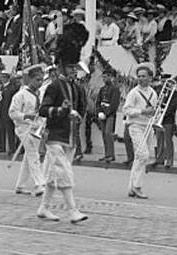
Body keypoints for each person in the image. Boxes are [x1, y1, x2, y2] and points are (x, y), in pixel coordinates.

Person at [36, 62, 88, 223]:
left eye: (75, 68)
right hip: (55, 135)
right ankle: (72, 211)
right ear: (62, 68)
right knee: (64, 172)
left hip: (70, 135)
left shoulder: (76, 87)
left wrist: (76, 114)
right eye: (71, 67)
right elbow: (43, 110)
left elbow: (81, 108)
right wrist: (61, 111)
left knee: (54, 174)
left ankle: (43, 208)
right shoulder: (54, 86)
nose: (74, 70)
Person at [9, 64, 45, 196]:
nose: (40, 83)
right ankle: (40, 183)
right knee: (34, 155)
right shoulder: (20, 95)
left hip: (36, 129)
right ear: (29, 79)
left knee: (29, 157)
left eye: (41, 80)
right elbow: (12, 113)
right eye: (37, 80)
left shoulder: (40, 94)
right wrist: (26, 116)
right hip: (23, 128)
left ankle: (20, 185)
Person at [123, 63, 158, 198]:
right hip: (135, 125)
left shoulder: (153, 93)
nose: (141, 78)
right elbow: (126, 110)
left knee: (141, 157)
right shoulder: (134, 93)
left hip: (148, 126)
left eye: (144, 76)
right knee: (143, 155)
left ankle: (131, 188)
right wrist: (142, 111)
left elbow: (154, 110)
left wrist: (155, 114)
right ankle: (137, 186)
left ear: (150, 77)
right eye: (139, 76)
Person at [95, 66, 121, 162]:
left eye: (106, 77)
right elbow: (98, 101)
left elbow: (114, 103)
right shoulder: (102, 89)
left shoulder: (115, 89)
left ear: (111, 77)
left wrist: (106, 113)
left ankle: (111, 154)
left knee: (108, 134)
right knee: (103, 134)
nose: (104, 79)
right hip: (102, 114)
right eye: (103, 77)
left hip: (110, 115)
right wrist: (99, 112)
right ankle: (106, 154)